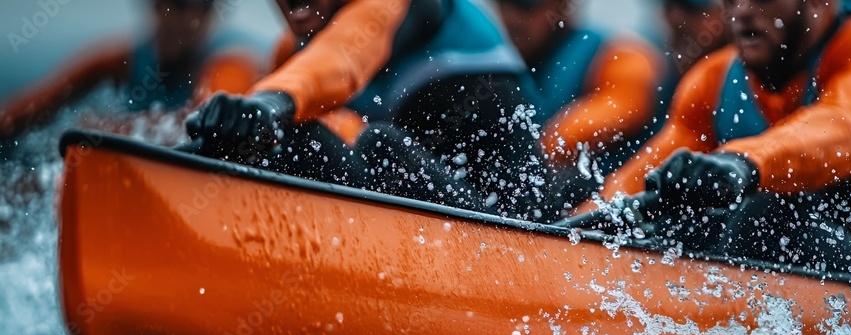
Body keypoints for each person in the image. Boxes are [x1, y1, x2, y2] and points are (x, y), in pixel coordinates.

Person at [592, 0, 851, 298]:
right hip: (828, 291)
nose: (744, 11)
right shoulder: (715, 80)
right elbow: (632, 183)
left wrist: (743, 163)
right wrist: (578, 229)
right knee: (653, 220)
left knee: (767, 217)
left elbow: (844, 128)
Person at [185, 0, 549, 220]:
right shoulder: (296, 53)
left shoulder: (400, 7)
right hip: (425, 226)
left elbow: (341, 59)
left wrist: (267, 103)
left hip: (511, 229)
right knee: (287, 138)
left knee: (380, 145)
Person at [0, 0, 260, 140]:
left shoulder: (231, 64)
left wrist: (110, 131)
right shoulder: (125, 58)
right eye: (161, 3)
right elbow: (36, 104)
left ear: (208, 13)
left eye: (181, 5)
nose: (168, 15)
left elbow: (206, 124)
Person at [495, 0, 664, 177]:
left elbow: (624, 107)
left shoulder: (621, 58)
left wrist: (524, 157)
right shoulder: (497, 60)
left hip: (601, 194)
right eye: (502, 2)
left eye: (527, 5)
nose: (510, 17)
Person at [659, 0, 728, 104]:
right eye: (670, 7)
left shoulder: (741, 76)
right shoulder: (662, 76)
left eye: (690, 9)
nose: (676, 19)